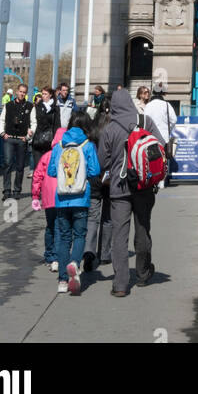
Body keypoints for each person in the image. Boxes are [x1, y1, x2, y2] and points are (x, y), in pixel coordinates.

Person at [98, 88, 166, 297]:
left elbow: (102, 161)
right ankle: (144, 273)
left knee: (119, 235)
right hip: (144, 186)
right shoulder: (145, 122)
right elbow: (160, 147)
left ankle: (120, 284)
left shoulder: (110, 128)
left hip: (119, 188)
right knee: (143, 229)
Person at [47, 109, 101, 295]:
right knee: (79, 235)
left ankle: (62, 280)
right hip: (81, 197)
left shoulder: (59, 146)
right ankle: (74, 263)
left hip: (62, 199)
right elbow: (95, 171)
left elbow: (52, 172)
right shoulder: (87, 145)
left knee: (63, 237)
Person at [82, 107, 112, 273]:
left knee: (92, 217)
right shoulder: (114, 134)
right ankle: (105, 253)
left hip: (93, 179)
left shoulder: (91, 137)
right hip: (109, 179)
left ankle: (89, 251)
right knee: (107, 217)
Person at [31, 123, 64, 272]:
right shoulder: (68, 155)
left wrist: (35, 196)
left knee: (50, 226)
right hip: (62, 197)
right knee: (59, 227)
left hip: (48, 197)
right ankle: (56, 258)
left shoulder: (47, 155)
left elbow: (37, 176)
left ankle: (49, 254)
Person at [0, 82, 33, 200]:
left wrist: (28, 137)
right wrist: (2, 133)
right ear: (16, 92)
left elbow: (34, 123)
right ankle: (7, 191)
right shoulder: (8, 105)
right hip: (9, 138)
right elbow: (1, 120)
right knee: (7, 164)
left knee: (20, 166)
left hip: (21, 139)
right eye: (20, 92)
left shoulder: (30, 106)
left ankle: (17, 190)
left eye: (24, 92)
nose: (22, 94)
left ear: (26, 94)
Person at [142, 85, 177, 187]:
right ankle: (161, 182)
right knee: (164, 157)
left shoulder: (148, 105)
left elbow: (145, 119)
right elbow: (174, 119)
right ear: (162, 94)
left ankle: (152, 179)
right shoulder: (166, 105)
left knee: (151, 157)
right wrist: (168, 127)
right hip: (163, 135)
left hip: (150, 136)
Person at [30, 87, 59, 169]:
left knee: (47, 167)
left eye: (45, 94)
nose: (43, 96)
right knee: (38, 167)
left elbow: (57, 125)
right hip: (38, 140)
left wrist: (56, 139)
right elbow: (33, 121)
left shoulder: (56, 108)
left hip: (49, 141)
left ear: (50, 95)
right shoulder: (37, 107)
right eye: (42, 94)